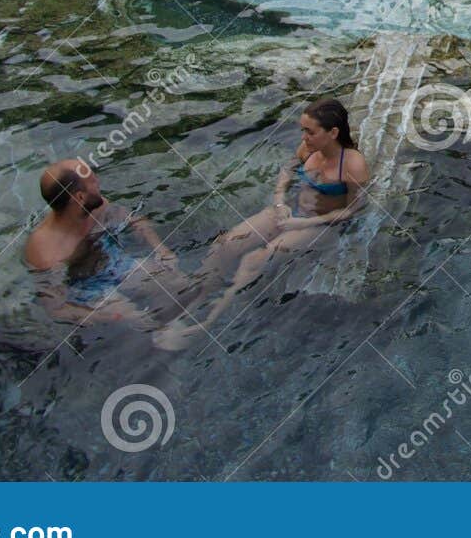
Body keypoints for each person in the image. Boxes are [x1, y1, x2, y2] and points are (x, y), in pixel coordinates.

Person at [152, 99, 369, 351]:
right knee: (226, 244)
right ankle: (193, 301)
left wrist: (307, 221)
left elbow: (354, 208)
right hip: (291, 213)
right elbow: (288, 169)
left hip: (322, 226)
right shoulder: (308, 148)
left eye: (310, 131)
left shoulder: (352, 164)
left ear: (332, 133)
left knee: (253, 260)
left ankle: (205, 325)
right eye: (302, 130)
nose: (304, 136)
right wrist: (279, 200)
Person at [24, 159, 182, 326]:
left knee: (173, 280)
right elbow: (57, 309)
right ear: (79, 197)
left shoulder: (94, 206)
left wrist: (161, 249)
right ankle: (160, 333)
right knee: (134, 318)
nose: (98, 181)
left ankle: (175, 321)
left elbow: (132, 220)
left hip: (111, 261)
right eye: (92, 180)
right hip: (83, 287)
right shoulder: (45, 252)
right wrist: (101, 317)